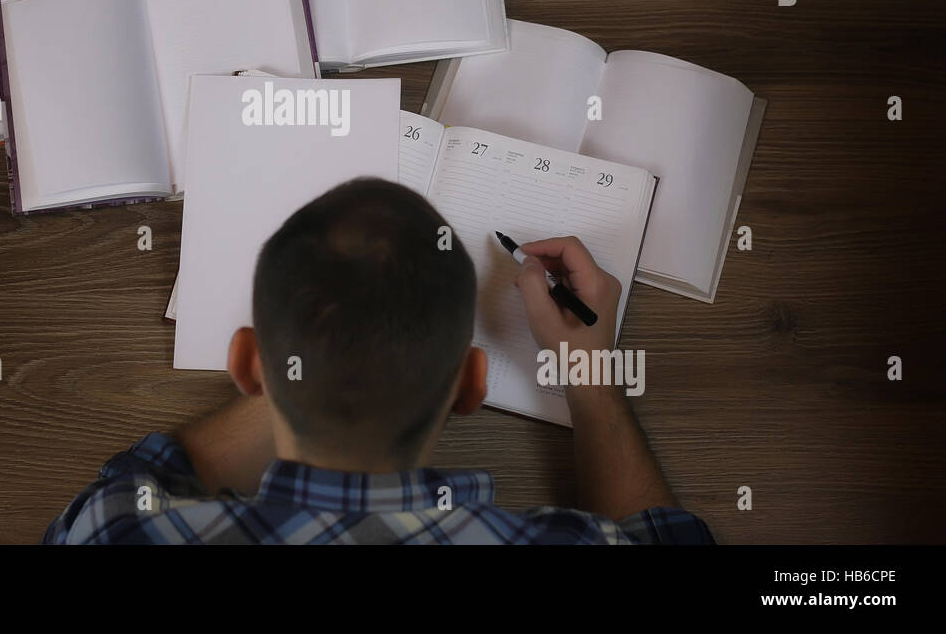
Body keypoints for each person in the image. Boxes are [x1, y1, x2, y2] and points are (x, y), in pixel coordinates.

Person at [44, 178, 714, 544]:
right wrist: (591, 378)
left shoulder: (117, 530)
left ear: (246, 365)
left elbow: (140, 477)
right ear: (472, 384)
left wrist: (305, 361)